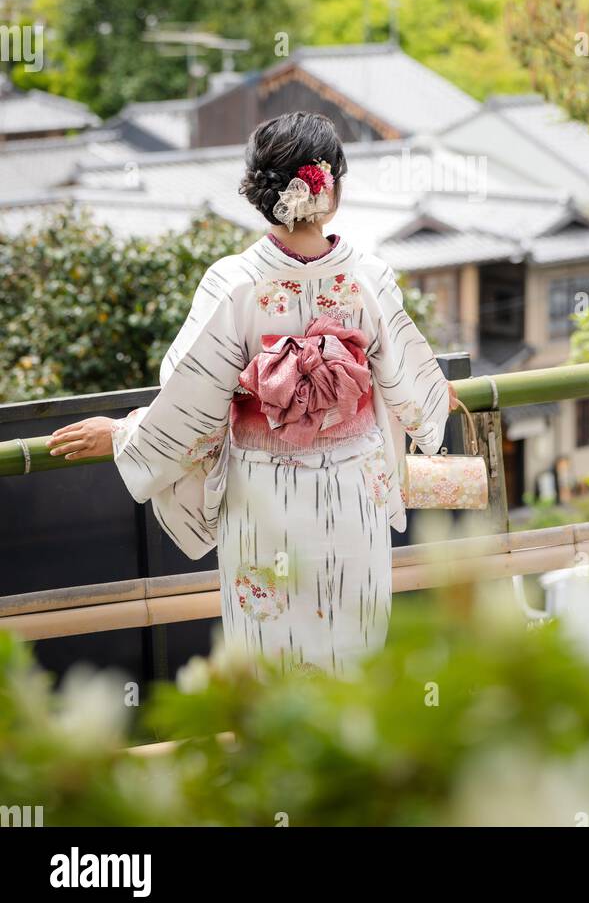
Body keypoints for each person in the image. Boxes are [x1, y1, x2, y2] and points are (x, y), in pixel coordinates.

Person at [49, 112, 459, 678]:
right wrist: (437, 398)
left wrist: (122, 434)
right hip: (351, 495)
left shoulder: (235, 283)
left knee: (271, 660)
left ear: (262, 193)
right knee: (352, 655)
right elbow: (415, 391)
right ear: (331, 187)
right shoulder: (369, 278)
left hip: (265, 501)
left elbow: (190, 407)